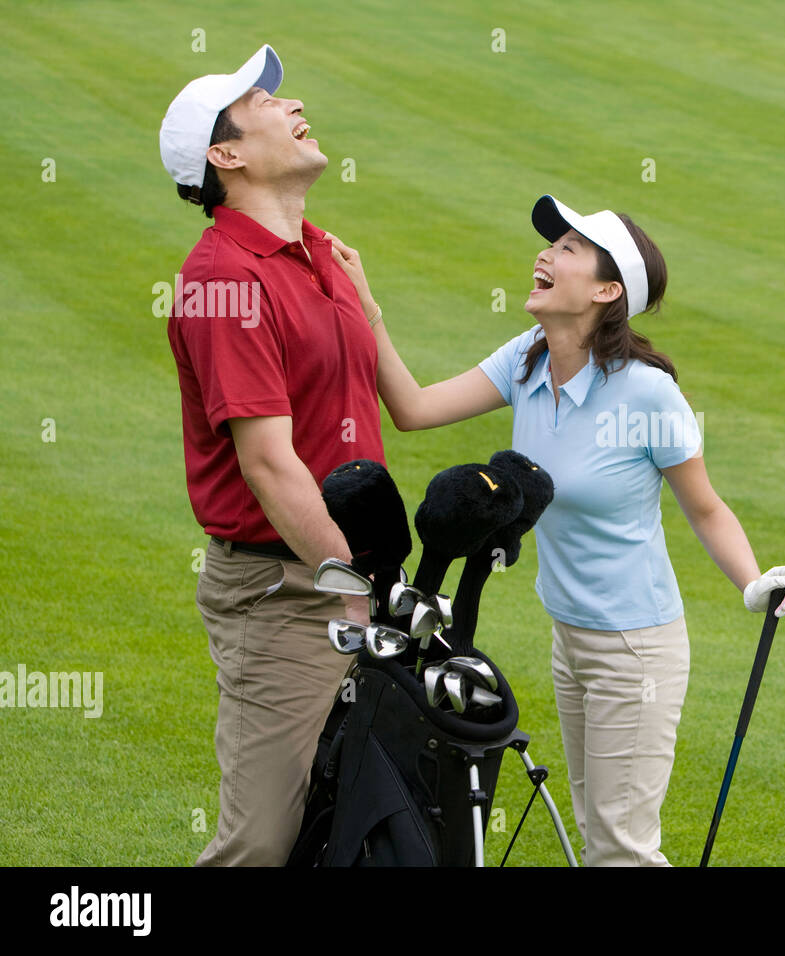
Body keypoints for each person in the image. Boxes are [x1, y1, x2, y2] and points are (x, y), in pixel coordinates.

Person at [326, 195, 785, 866]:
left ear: (608, 291)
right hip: (570, 638)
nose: (545, 255)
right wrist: (365, 305)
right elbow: (412, 408)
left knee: (621, 850)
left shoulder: (647, 394)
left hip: (635, 649)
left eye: (568, 249)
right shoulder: (528, 359)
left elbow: (705, 508)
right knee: (600, 837)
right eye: (551, 246)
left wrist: (755, 583)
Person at [160, 44, 382, 865]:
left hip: (349, 568)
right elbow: (269, 465)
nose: (287, 103)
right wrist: (352, 586)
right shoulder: (221, 279)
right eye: (257, 100)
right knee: (260, 844)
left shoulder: (322, 252)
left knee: (356, 818)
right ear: (227, 155)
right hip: (284, 591)